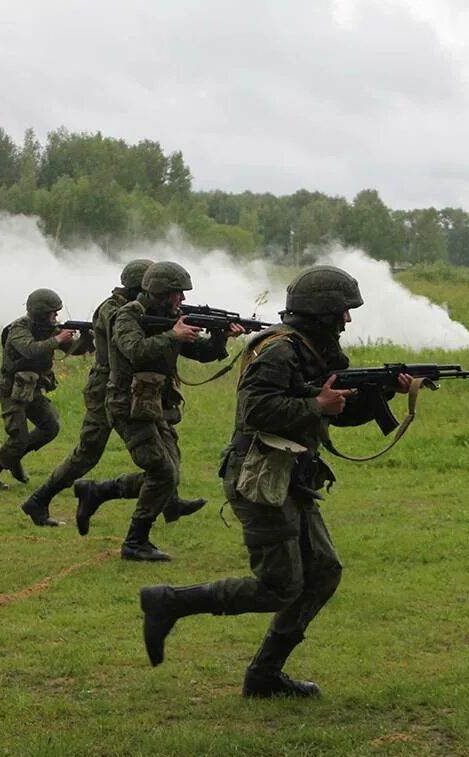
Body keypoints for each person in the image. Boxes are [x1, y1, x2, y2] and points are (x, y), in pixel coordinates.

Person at [138, 264, 414, 698]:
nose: (347, 320)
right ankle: (170, 602)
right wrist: (317, 405)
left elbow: (336, 412)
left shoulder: (319, 352)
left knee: (323, 573)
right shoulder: (279, 352)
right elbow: (257, 411)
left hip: (292, 475)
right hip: (259, 476)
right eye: (343, 311)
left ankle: (263, 676)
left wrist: (386, 392)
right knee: (280, 586)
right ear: (322, 312)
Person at [83, 261, 243, 561]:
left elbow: (199, 353)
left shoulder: (169, 316)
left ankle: (99, 491)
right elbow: (135, 351)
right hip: (126, 405)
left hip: (152, 404)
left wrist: (221, 337)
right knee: (162, 471)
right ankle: (134, 542)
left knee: (171, 471)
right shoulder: (128, 315)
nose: (181, 301)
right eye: (177, 294)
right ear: (158, 291)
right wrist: (174, 335)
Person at [20, 259, 152, 527]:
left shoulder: (134, 307)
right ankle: (41, 499)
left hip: (129, 390)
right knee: (89, 453)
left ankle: (167, 499)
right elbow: (127, 341)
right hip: (106, 389)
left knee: (159, 446)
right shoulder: (112, 309)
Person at [0, 288, 89, 491]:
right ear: (40, 313)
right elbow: (29, 350)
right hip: (11, 389)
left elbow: (74, 349)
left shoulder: (49, 329)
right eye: (52, 313)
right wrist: (57, 339)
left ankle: (12, 457)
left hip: (33, 387)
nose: (56, 317)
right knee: (18, 437)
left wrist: (87, 338)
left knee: (50, 426)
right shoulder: (18, 329)